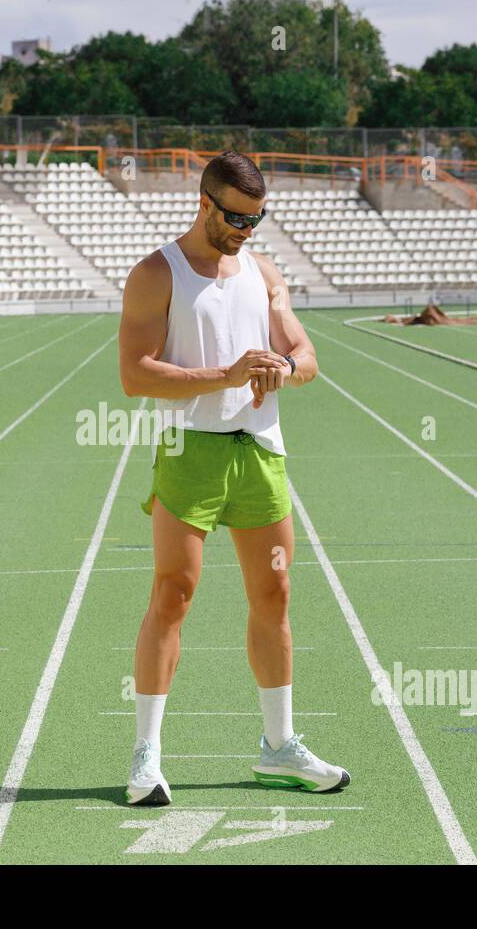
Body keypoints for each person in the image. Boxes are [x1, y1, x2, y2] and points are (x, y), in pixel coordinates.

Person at [117, 150, 350, 806]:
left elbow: (307, 356)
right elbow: (135, 373)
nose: (246, 232)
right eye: (236, 219)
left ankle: (278, 747)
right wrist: (225, 375)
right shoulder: (155, 273)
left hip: (260, 451)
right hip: (189, 448)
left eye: (256, 220)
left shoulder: (264, 270)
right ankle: (146, 755)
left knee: (274, 594)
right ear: (204, 203)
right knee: (174, 594)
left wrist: (283, 367)